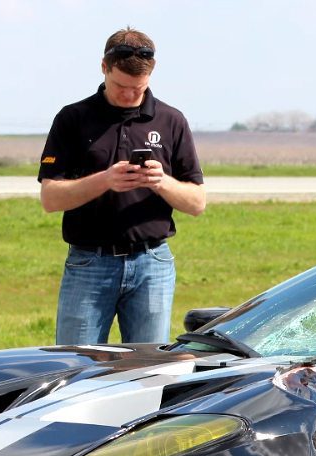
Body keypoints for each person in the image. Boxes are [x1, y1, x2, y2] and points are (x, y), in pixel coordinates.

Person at [38, 27, 206, 345]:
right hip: (89, 262)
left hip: (152, 264)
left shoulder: (171, 121)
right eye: (120, 86)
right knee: (76, 366)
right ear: (104, 68)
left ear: (151, 74)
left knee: (149, 371)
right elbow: (50, 198)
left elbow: (197, 202)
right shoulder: (72, 119)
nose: (129, 95)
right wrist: (105, 180)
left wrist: (161, 182)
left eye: (138, 88)